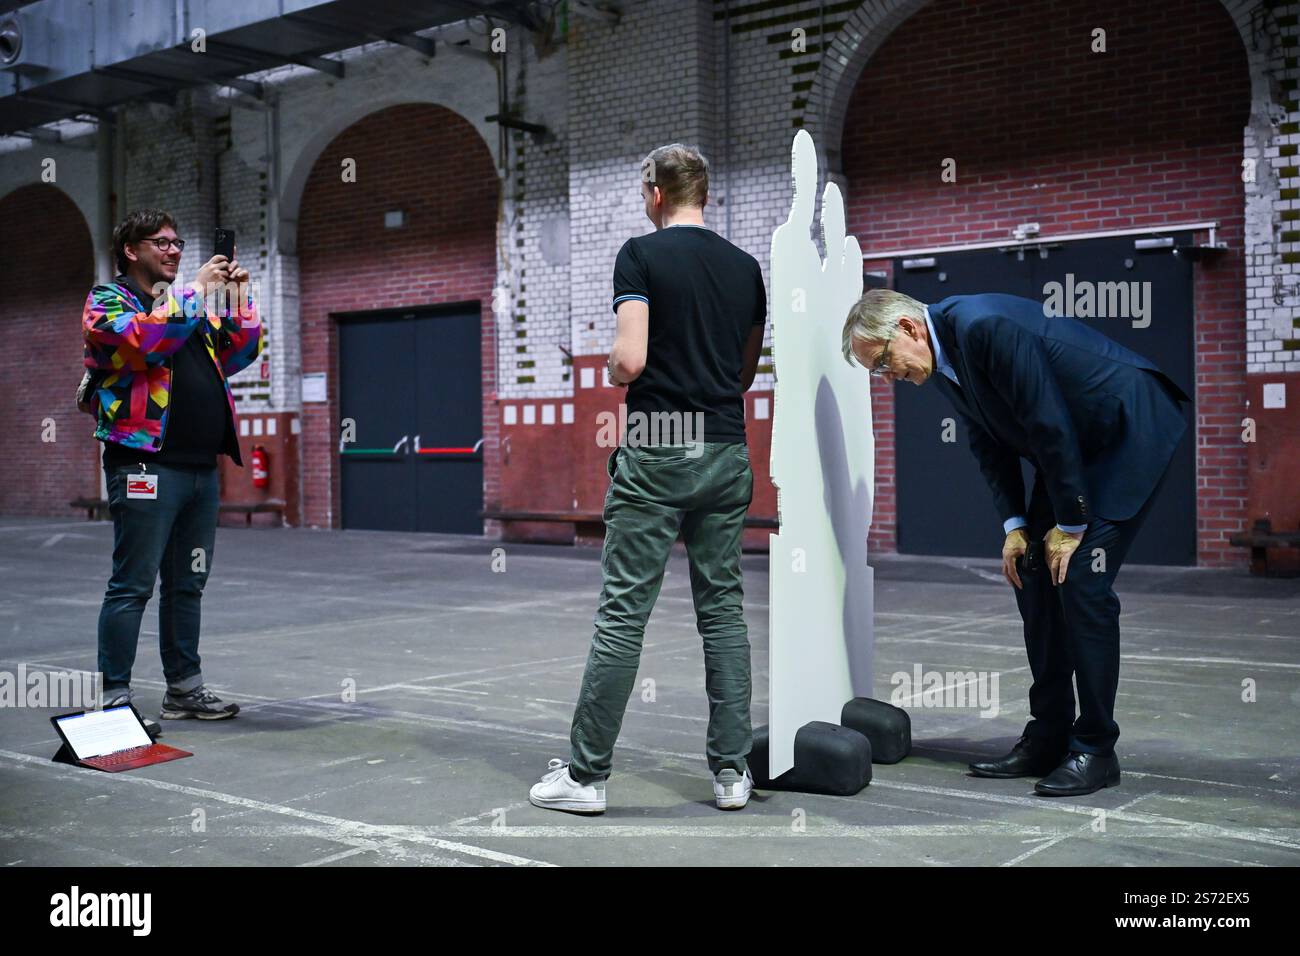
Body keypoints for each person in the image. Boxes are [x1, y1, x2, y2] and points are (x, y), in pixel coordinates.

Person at [842, 289, 1189, 796]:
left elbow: (1047, 420)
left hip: (1123, 432)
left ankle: (1095, 748)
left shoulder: (984, 327)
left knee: (1081, 581)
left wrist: (1071, 527)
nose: (887, 377)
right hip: (1072, 446)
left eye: (883, 363)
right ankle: (1049, 734)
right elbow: (987, 438)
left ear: (908, 330)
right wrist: (1015, 526)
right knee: (1032, 569)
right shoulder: (943, 353)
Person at [529, 144, 767, 813]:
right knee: (722, 612)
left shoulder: (639, 254)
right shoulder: (747, 269)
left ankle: (585, 777)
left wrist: (612, 364)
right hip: (725, 446)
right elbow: (743, 373)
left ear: (655, 193)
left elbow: (629, 360)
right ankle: (731, 774)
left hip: (660, 441)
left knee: (623, 616)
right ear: (705, 195)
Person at [82, 209, 261, 726]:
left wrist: (238, 302)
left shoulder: (187, 307)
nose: (174, 250)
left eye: (177, 242)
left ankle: (184, 688)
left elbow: (237, 355)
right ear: (131, 251)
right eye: (160, 242)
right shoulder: (108, 301)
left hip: (200, 469)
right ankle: (115, 698)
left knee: (188, 584)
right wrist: (193, 294)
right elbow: (141, 342)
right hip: (145, 464)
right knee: (133, 584)